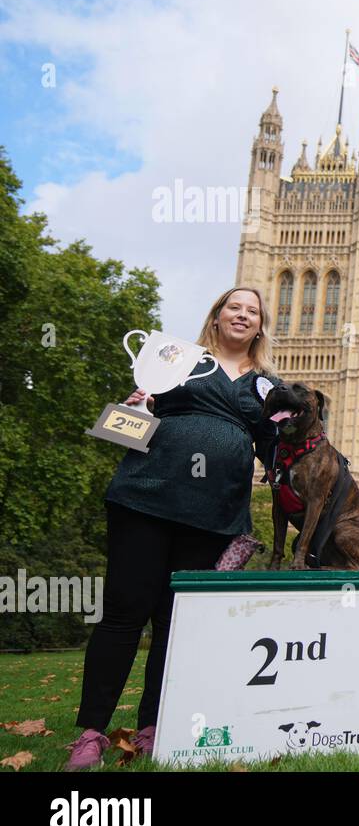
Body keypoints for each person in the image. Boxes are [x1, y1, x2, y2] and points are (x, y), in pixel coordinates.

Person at [65, 287, 281, 769]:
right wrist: (133, 407)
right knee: (124, 614)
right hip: (147, 495)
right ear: (217, 316)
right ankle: (92, 732)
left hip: (214, 512)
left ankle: (153, 726)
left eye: (253, 310)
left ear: (261, 325)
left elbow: (275, 451)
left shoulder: (266, 387)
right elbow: (131, 423)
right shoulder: (181, 360)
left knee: (174, 626)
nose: (242, 315)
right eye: (234, 307)